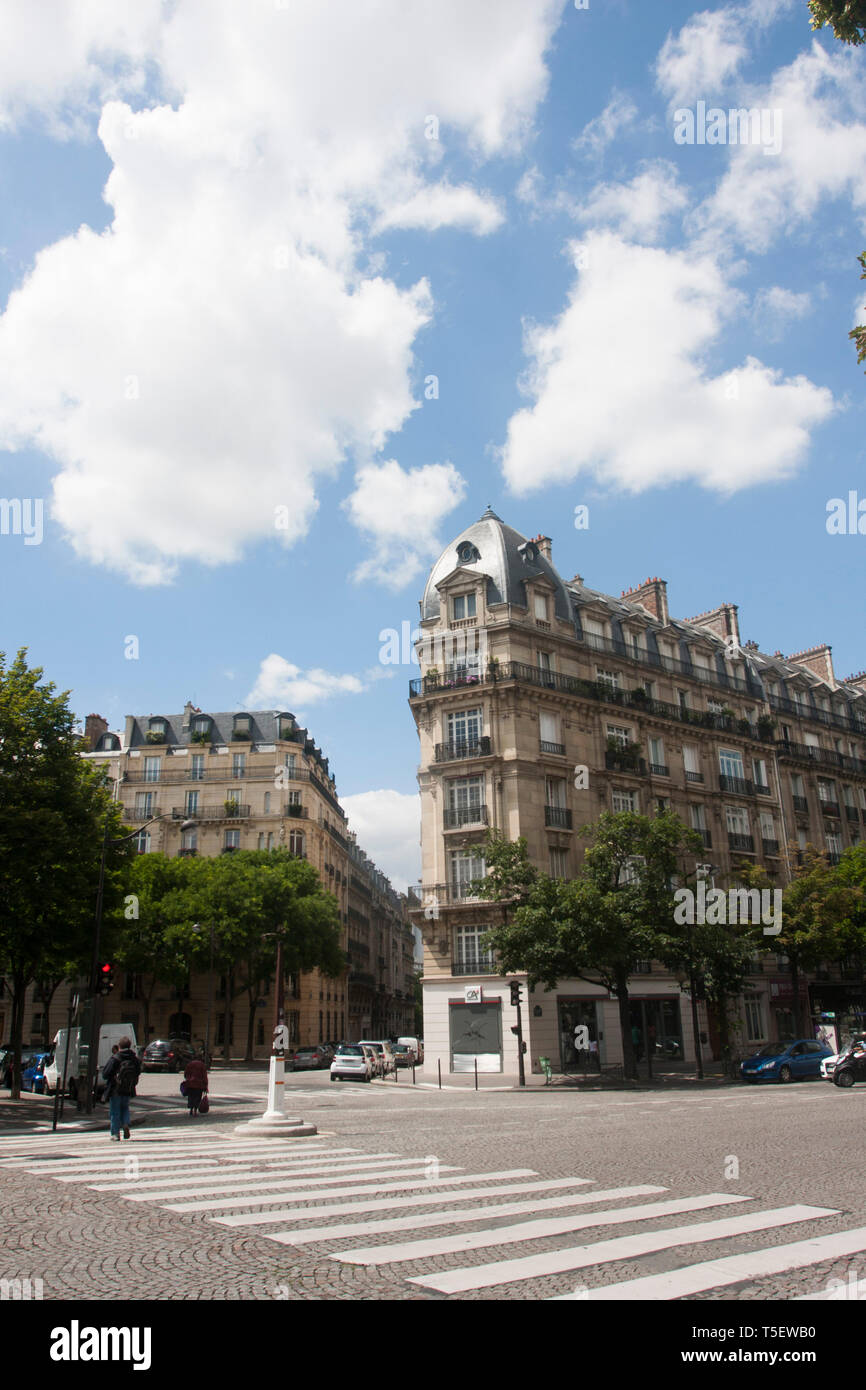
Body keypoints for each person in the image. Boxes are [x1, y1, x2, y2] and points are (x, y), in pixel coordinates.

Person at [101, 1036, 141, 1141]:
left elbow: (105, 1074)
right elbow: (138, 1072)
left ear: (119, 1046)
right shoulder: (134, 1058)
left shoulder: (116, 1058)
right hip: (128, 1088)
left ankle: (115, 1133)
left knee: (115, 1111)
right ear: (129, 1046)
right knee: (125, 1108)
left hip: (115, 1088)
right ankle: (125, 1123)